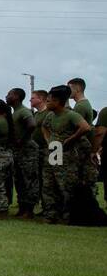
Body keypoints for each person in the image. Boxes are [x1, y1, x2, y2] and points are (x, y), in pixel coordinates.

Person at [40, 84, 92, 225]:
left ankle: (68, 215)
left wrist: (71, 139)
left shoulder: (71, 115)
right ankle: (51, 215)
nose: (47, 103)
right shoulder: (50, 115)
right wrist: (48, 140)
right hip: (53, 152)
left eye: (49, 100)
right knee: (48, 184)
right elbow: (44, 127)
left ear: (57, 101)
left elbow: (85, 127)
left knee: (66, 185)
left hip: (67, 155)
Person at [7, 88, 40, 219]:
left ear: (16, 96)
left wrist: (23, 139)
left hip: (27, 150)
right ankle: (22, 207)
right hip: (18, 151)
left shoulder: (23, 111)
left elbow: (32, 125)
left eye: (9, 94)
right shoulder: (14, 113)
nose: (7, 96)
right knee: (19, 180)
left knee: (29, 179)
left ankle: (29, 209)